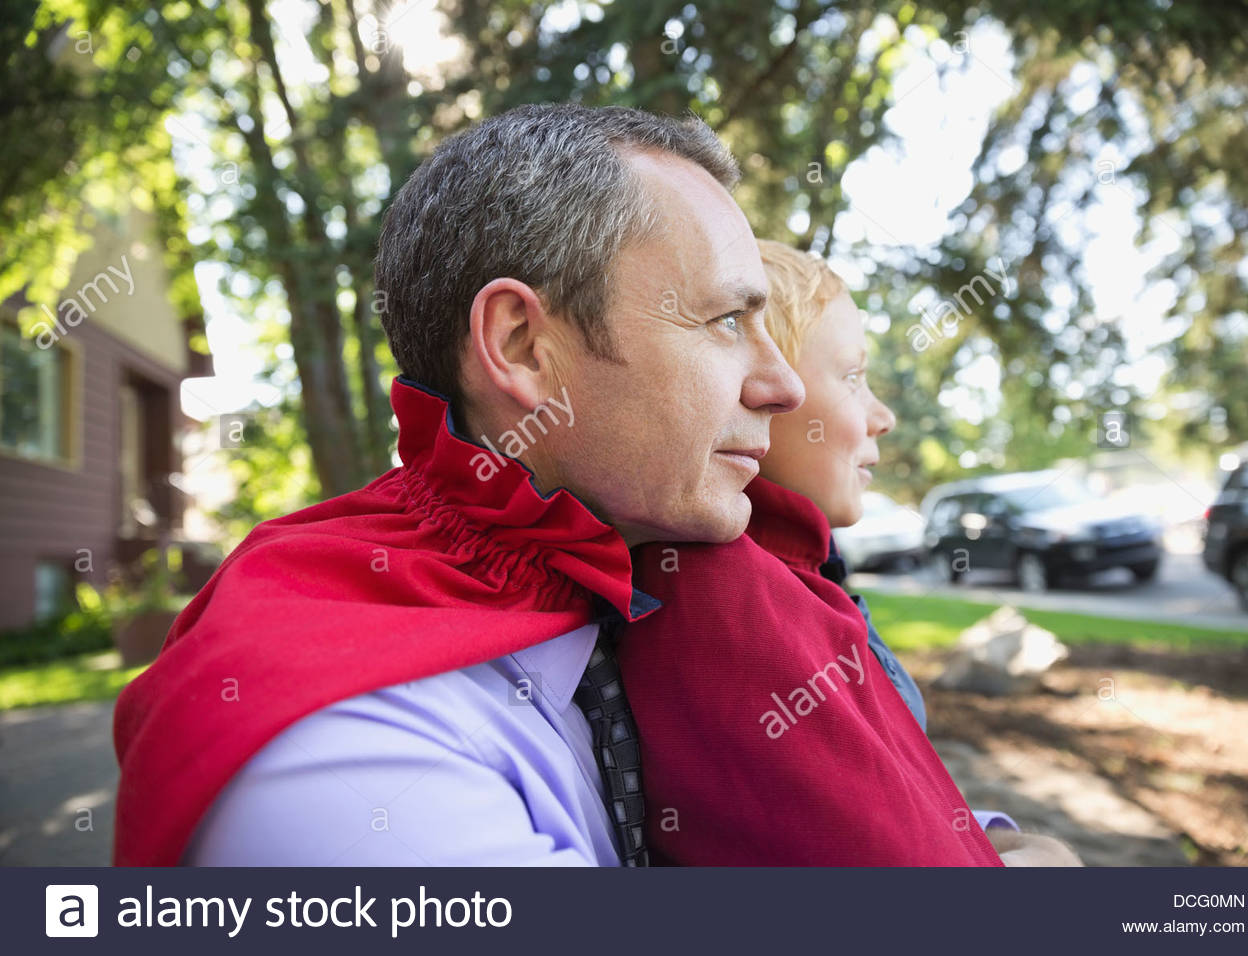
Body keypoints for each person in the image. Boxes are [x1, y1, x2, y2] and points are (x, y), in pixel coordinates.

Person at [111, 103, 805, 866]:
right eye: (726, 320)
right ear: (522, 346)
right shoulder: (341, 749)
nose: (784, 386)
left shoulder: (632, 597)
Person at [618, 241, 1082, 866]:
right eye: (853, 377)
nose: (882, 416)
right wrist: (1045, 860)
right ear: (759, 391)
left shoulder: (790, 576)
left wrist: (991, 834)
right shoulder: (727, 598)